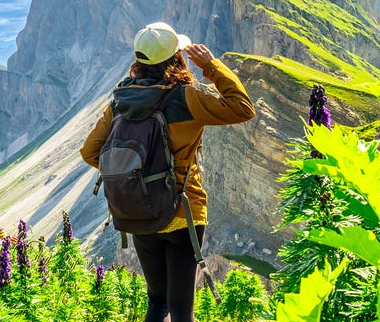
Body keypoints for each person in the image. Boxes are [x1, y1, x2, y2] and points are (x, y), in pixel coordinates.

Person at [80, 22, 255, 322]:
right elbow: (242, 107)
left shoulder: (121, 100)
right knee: (181, 310)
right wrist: (211, 66)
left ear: (139, 61)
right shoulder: (185, 98)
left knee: (157, 303)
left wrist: (139, 177)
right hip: (183, 213)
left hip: (141, 212)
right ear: (177, 57)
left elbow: (90, 152)